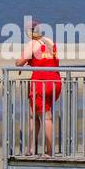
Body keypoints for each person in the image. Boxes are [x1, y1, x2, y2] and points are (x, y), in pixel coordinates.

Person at [16, 22, 61, 155]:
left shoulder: (32, 43)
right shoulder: (50, 42)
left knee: (45, 116)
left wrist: (19, 64)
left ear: (29, 33)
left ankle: (50, 151)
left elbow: (20, 62)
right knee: (33, 114)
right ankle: (31, 148)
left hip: (41, 82)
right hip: (55, 81)